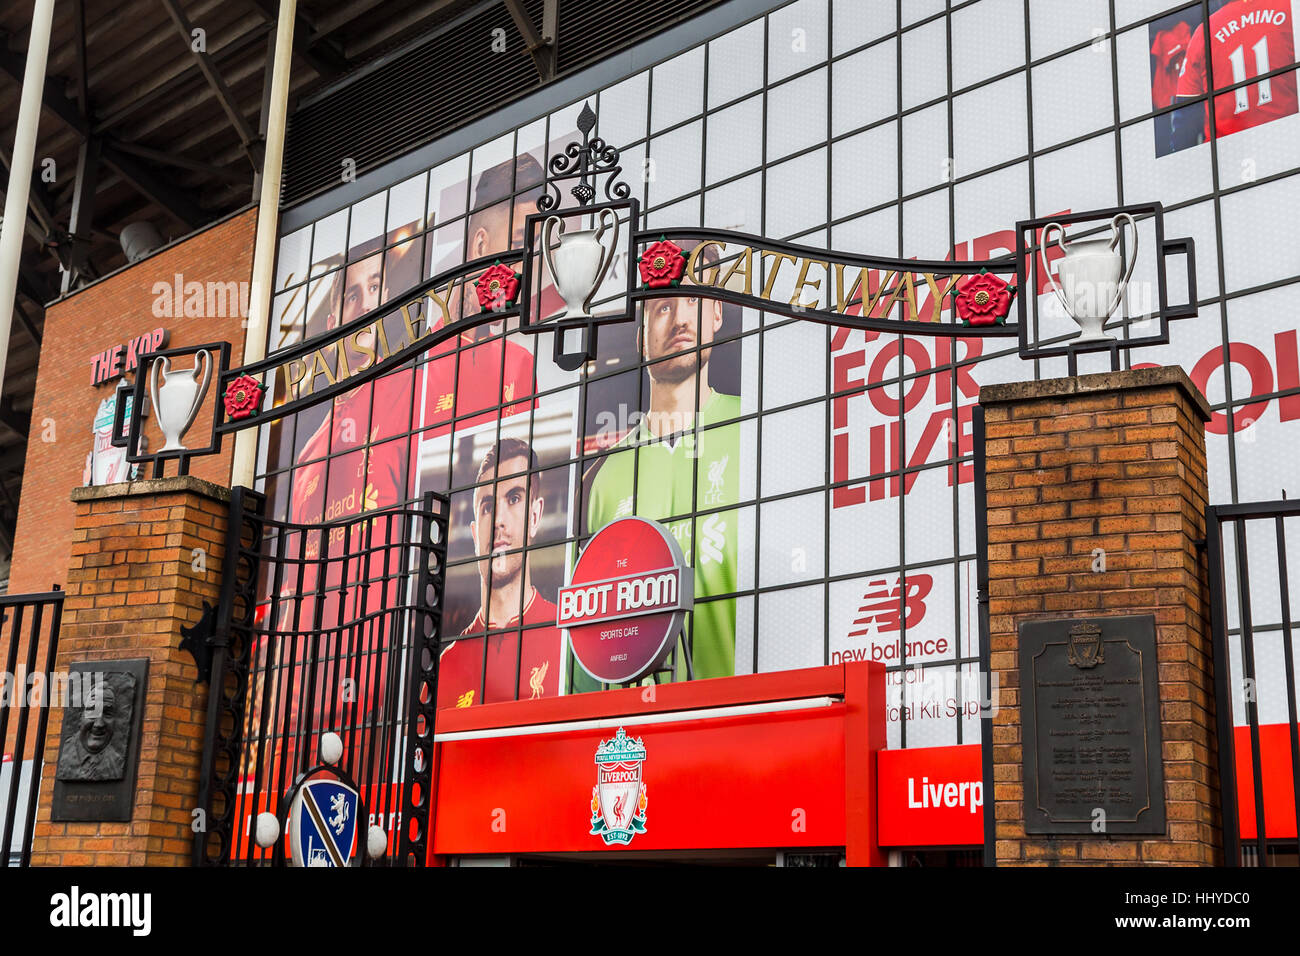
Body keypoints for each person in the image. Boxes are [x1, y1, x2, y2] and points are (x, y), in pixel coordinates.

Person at [581, 245, 740, 683]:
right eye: (664, 307)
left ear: (717, 315)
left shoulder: (756, 431)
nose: (682, 320)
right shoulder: (605, 477)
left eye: (694, 301)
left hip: (740, 714)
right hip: (632, 734)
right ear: (641, 333)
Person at [437, 438, 563, 708]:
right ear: (474, 534)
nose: (498, 521)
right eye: (488, 507)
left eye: (514, 498)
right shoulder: (447, 665)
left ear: (534, 516)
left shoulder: (566, 638)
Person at [1172, 0, 1297, 148]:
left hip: (1229, 156)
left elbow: (1185, 123)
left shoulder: (1204, 32)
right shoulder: (1290, 8)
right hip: (1288, 143)